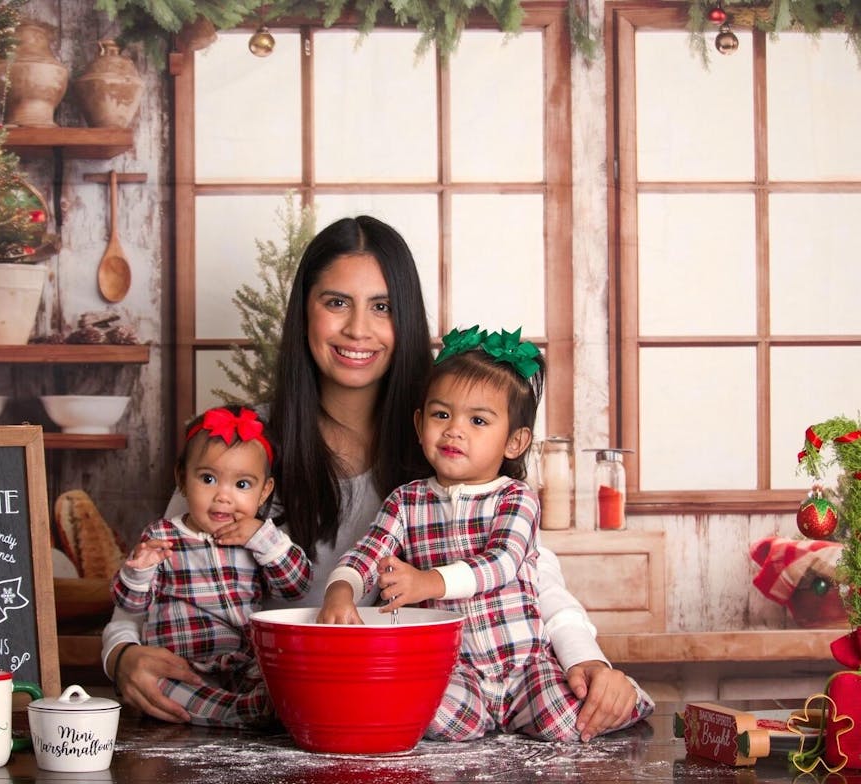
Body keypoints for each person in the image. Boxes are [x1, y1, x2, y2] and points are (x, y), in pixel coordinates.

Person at [103, 214, 640, 741]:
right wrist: (121, 654)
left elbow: (530, 575)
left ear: (405, 320)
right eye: (336, 302)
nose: (358, 329)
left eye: (382, 307)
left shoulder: (446, 444)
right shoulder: (243, 442)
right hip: (277, 703)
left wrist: (586, 659)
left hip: (408, 696)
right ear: (304, 313)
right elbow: (156, 564)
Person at [317, 327, 654, 742]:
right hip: (454, 670)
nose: (455, 430)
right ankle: (474, 718)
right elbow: (367, 553)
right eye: (442, 415)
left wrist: (429, 581)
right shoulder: (406, 502)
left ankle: (630, 696)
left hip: (524, 665)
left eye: (478, 420)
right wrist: (341, 589)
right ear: (420, 424)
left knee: (569, 722)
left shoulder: (516, 498)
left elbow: (503, 563)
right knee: (421, 718)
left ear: (515, 441)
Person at [110, 405, 312, 727]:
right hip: (183, 664)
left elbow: (296, 586)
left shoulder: (259, 536)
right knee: (167, 689)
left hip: (244, 660)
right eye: (208, 478)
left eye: (242, 485)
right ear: (182, 479)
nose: (223, 497)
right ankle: (238, 715)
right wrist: (139, 570)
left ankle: (262, 707)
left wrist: (264, 539)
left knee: (286, 676)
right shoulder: (162, 535)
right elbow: (129, 604)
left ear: (265, 492)